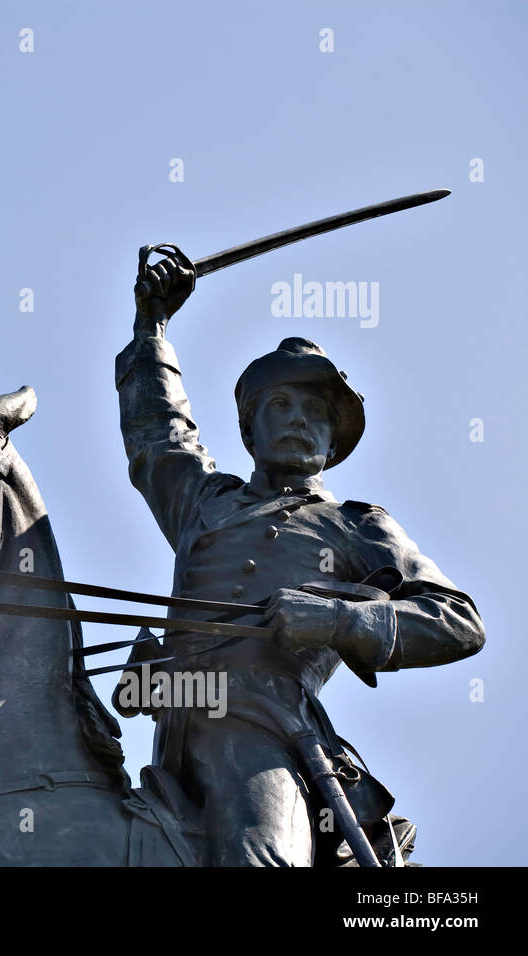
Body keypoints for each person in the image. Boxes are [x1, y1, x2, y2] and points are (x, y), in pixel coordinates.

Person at [115, 246, 485, 865]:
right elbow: (158, 433)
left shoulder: (356, 526)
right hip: (175, 721)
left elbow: (459, 621)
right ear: (250, 429)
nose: (299, 422)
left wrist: (341, 622)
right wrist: (150, 328)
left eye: (316, 413)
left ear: (332, 443)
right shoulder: (204, 501)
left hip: (266, 732)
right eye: (280, 406)